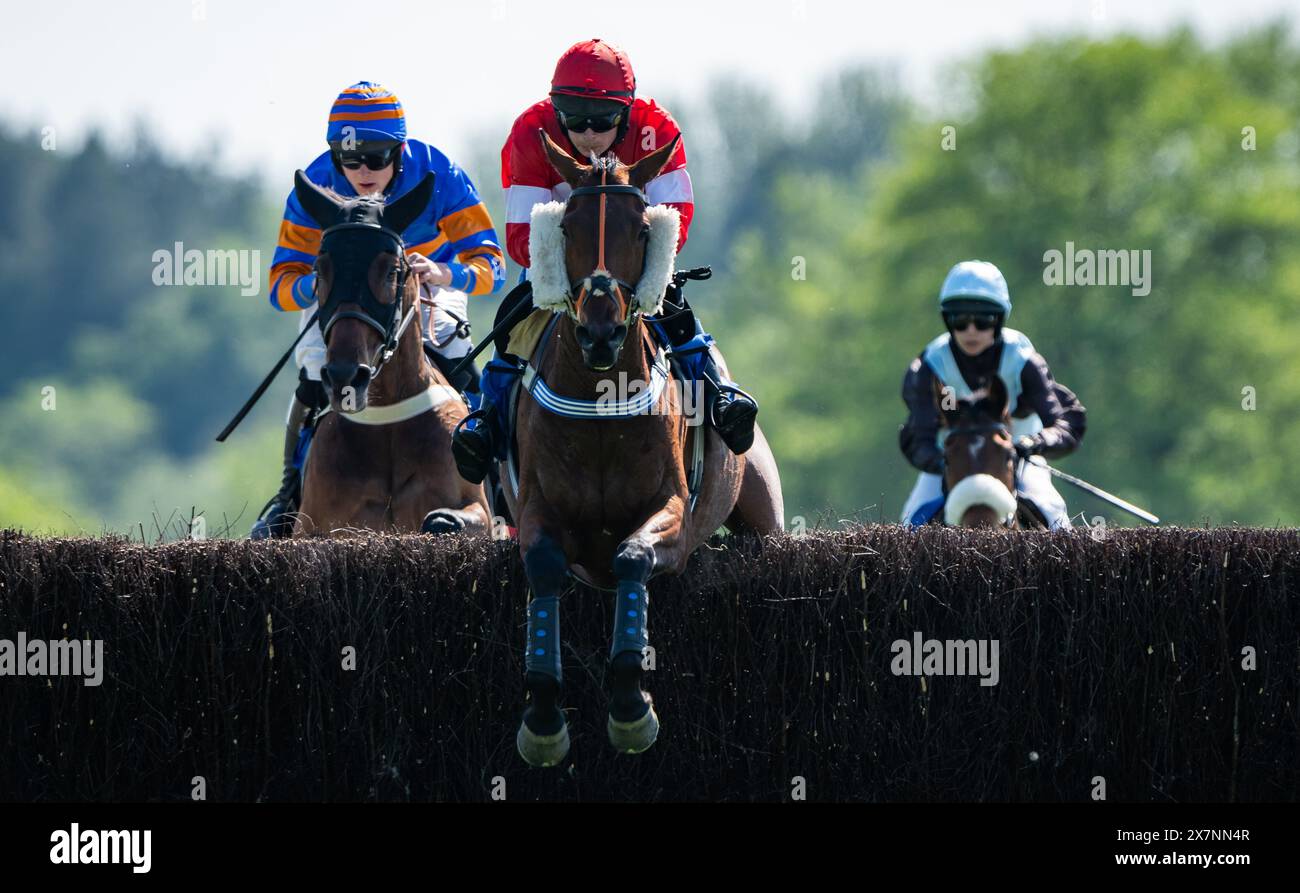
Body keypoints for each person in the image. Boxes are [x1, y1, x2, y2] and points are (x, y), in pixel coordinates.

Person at [449, 38, 758, 486]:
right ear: (555, 111)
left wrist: (635, 267)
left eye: (603, 121)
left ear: (627, 113)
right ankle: (486, 420)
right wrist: (571, 267)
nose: (589, 134)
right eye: (574, 121)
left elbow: (676, 219)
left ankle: (716, 393)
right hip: (557, 260)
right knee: (512, 330)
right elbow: (520, 238)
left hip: (631, 261)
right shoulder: (528, 132)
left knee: (679, 319)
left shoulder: (658, 129)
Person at [250, 81, 505, 539]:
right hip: (346, 297)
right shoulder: (315, 182)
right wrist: (323, 283)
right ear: (335, 154)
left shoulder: (440, 173)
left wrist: (447, 274)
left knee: (453, 344)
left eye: (377, 157)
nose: (363, 169)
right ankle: (289, 494)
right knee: (314, 363)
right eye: (351, 158)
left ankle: (500, 485)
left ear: (400, 151)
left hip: (424, 282)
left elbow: (492, 265)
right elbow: (279, 285)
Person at [898, 260, 1086, 528]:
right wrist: (944, 462)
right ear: (947, 320)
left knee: (1053, 512)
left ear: (998, 320)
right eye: (959, 320)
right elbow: (919, 436)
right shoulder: (930, 367)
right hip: (951, 455)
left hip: (1016, 451)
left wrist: (1034, 443)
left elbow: (1064, 423)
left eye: (983, 320)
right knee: (910, 522)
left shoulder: (1024, 362)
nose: (971, 330)